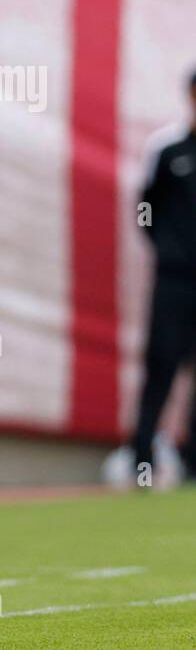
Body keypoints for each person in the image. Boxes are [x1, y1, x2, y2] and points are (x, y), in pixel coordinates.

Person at [131, 70, 196, 483]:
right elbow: (144, 208)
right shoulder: (167, 148)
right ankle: (141, 460)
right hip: (174, 280)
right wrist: (167, 249)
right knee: (161, 366)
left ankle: (192, 462)